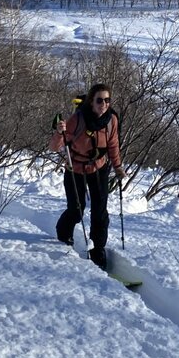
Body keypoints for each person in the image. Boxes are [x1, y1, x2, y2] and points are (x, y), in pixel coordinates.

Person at [50, 82, 125, 270]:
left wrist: (118, 167)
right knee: (77, 209)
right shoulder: (78, 119)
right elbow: (55, 146)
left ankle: (98, 249)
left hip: (99, 168)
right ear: (91, 101)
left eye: (107, 100)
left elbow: (113, 145)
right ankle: (64, 233)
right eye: (100, 100)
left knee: (100, 211)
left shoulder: (111, 120)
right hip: (75, 168)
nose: (104, 104)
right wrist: (59, 132)